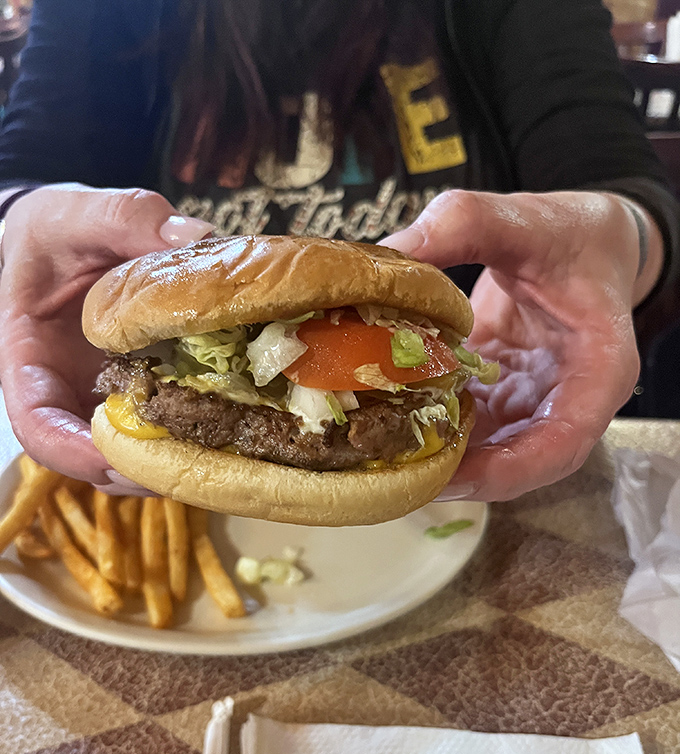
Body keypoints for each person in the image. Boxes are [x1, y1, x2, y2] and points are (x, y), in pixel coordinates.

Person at [0, 0, 676, 502]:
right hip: (150, 496)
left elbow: (621, 179)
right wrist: (18, 221)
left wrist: (626, 237)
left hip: (499, 467)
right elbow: (24, 167)